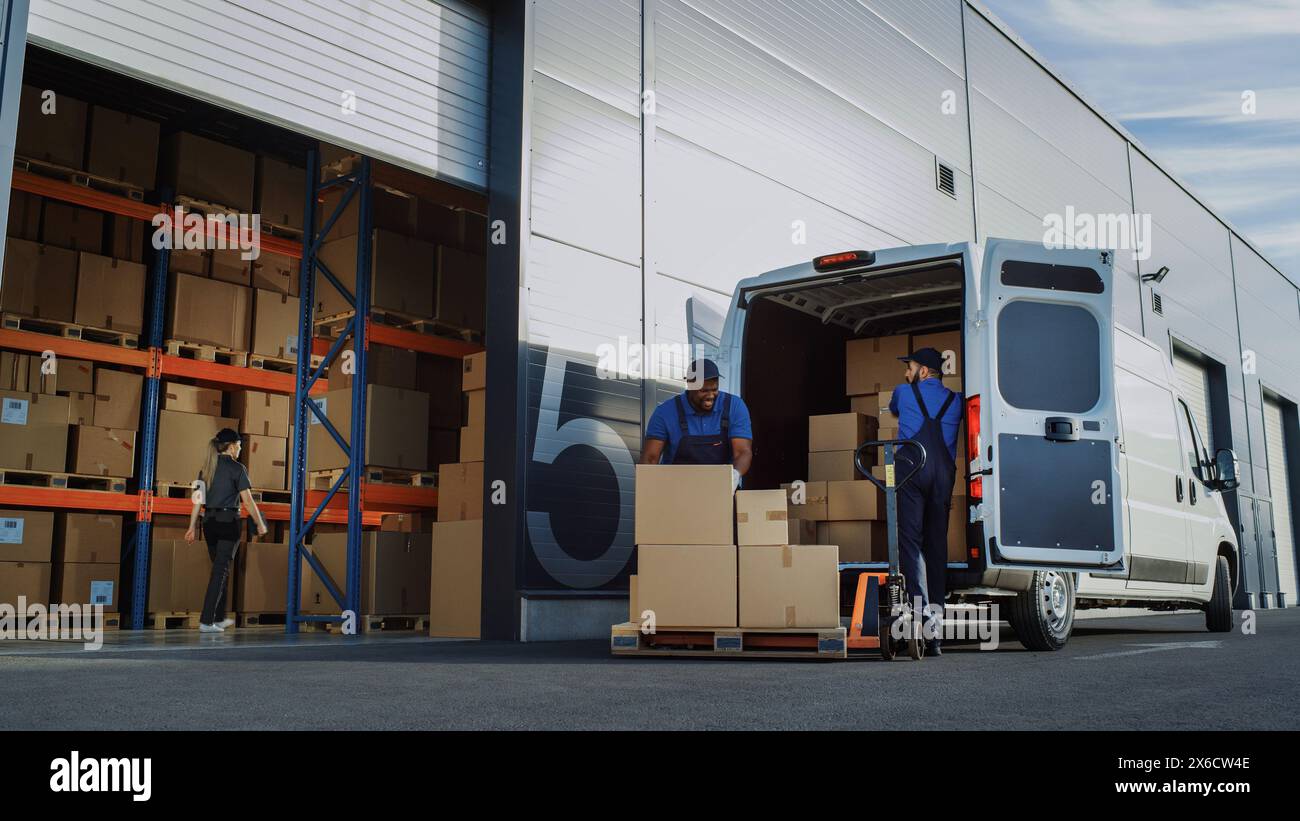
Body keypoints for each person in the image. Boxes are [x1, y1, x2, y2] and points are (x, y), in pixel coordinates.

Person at [886, 347, 962, 657]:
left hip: (912, 471)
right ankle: (936, 631)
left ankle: (924, 622)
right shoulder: (956, 400)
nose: (906, 373)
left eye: (911, 367)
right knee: (936, 546)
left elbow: (893, 409)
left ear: (925, 372)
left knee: (911, 544)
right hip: (943, 474)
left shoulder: (903, 392)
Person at [184, 428, 268, 633]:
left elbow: (196, 502)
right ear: (231, 447)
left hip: (210, 524)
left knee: (221, 570)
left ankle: (219, 617)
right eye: (239, 446)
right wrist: (260, 523)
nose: (239, 450)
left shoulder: (205, 469)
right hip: (229, 522)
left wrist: (191, 527)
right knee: (220, 571)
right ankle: (206, 621)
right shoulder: (237, 468)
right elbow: (247, 500)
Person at [639, 358, 753, 490]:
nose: (710, 395)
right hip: (676, 493)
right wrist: (647, 497)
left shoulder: (734, 406)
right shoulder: (665, 412)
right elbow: (650, 459)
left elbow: (743, 452)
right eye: (704, 391)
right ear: (690, 386)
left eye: (714, 389)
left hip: (721, 490)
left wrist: (734, 475)